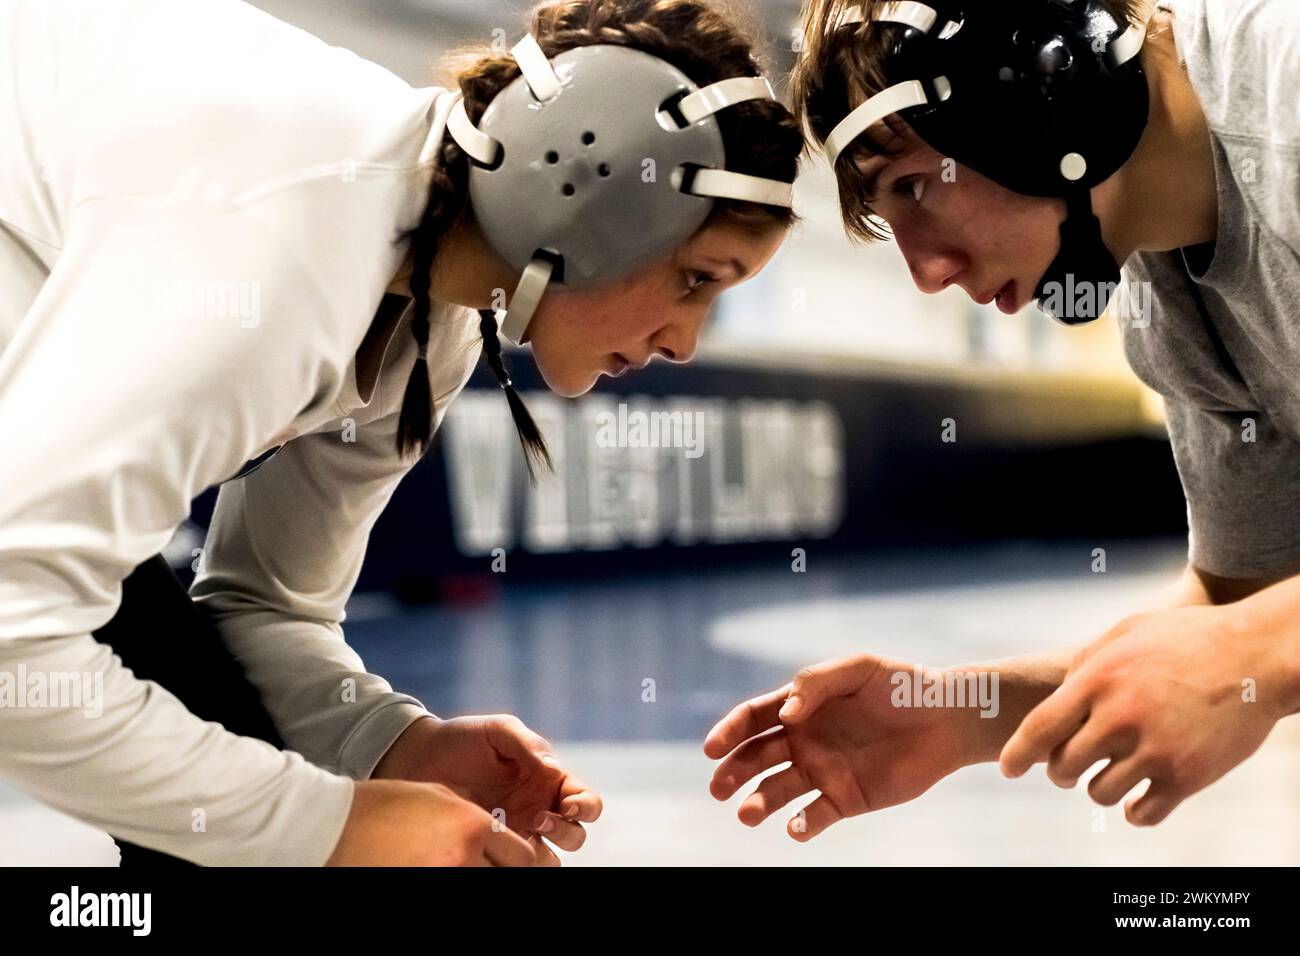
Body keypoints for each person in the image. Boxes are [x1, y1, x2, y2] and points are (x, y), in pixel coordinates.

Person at [0, 0, 801, 865]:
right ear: (584, 195)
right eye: (695, 280)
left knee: (212, 757)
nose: (685, 342)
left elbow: (259, 605)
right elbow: (12, 637)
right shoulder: (280, 249)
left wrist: (388, 746)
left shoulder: (434, 310)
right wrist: (339, 827)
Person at [707, 0, 1300, 841]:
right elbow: (1245, 598)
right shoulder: (1169, 306)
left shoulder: (1288, 104)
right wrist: (967, 712)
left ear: (1043, 79)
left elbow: (1255, 634)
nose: (924, 273)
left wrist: (1258, 653)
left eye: (913, 186)